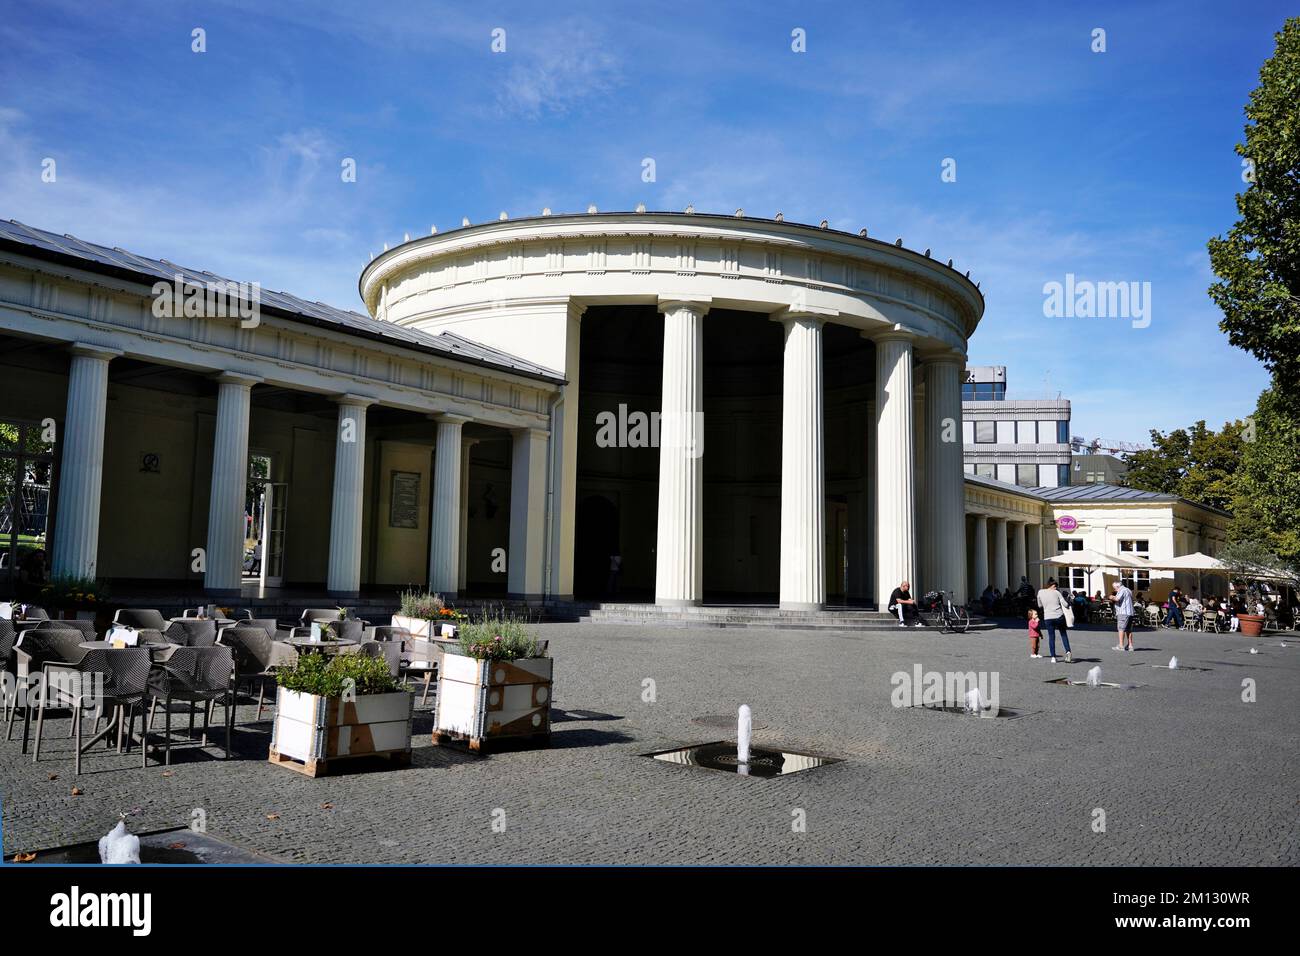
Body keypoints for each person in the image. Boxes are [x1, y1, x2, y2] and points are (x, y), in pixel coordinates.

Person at [1035, 577, 1071, 663]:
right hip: (1059, 616)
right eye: (1056, 587)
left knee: (1051, 637)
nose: (1056, 588)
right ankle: (1068, 652)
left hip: (1048, 617)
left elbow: (1039, 605)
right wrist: (1068, 600)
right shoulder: (1057, 592)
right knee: (1063, 634)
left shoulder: (1040, 592)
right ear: (1053, 585)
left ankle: (1053, 657)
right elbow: (1065, 605)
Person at [1109, 579, 1136, 651]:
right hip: (1130, 612)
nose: (1114, 589)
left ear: (1118, 586)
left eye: (1114, 588)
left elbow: (1117, 599)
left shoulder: (1121, 590)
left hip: (1123, 612)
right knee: (1129, 629)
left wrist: (1111, 597)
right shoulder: (1128, 590)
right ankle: (1130, 645)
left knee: (1121, 629)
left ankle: (1121, 645)